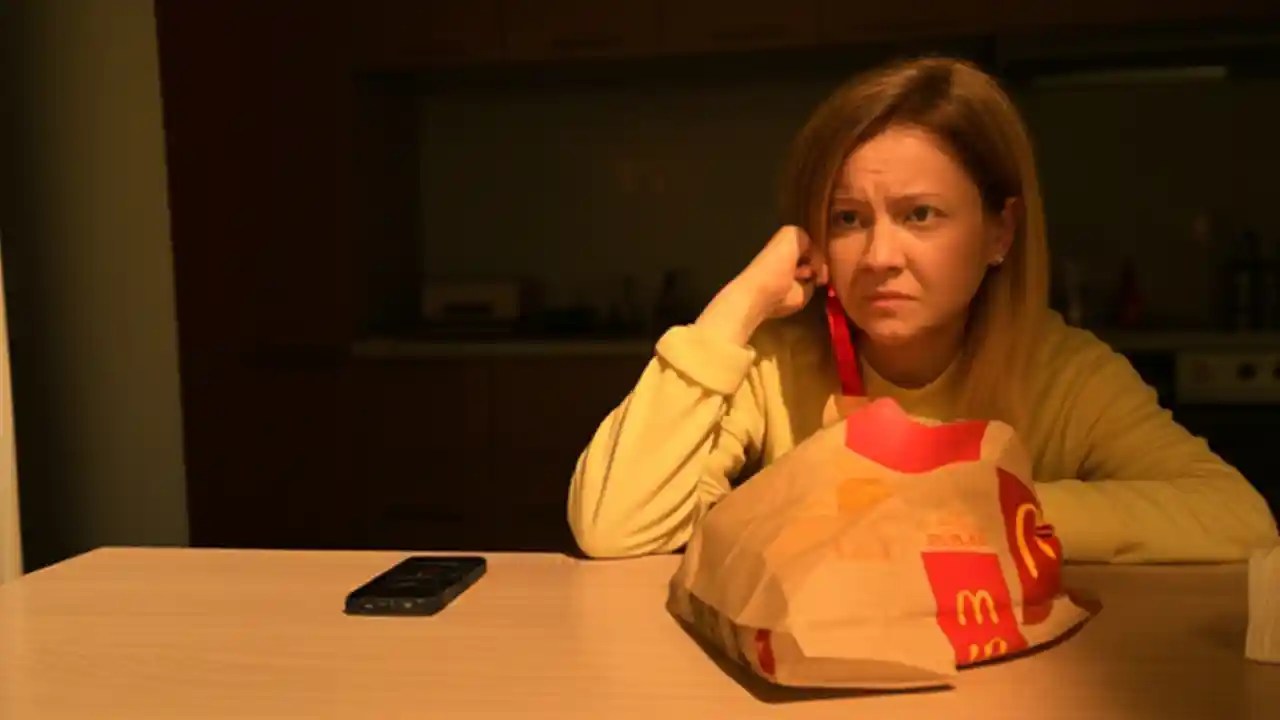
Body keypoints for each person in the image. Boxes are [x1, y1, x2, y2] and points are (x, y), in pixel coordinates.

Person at [567, 56, 1279, 563]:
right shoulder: (774, 361)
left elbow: (1240, 521)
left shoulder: (1062, 371)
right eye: (847, 219)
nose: (879, 255)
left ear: (999, 232)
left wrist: (971, 509)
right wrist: (736, 308)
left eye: (921, 215)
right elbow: (614, 526)